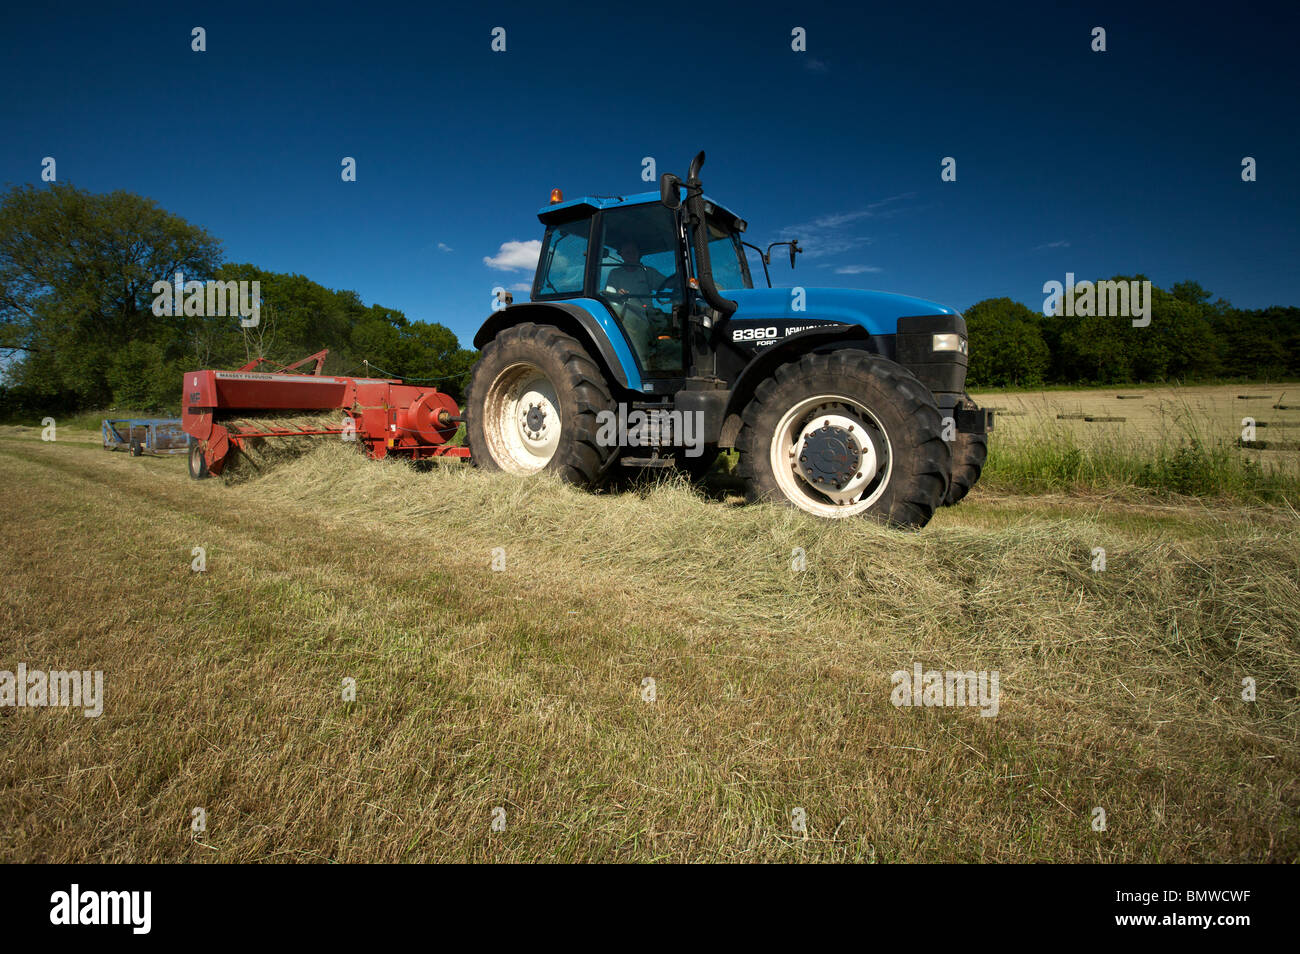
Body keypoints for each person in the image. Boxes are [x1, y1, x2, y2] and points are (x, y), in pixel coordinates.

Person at [606, 240, 668, 361]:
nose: (631, 255)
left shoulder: (647, 272)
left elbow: (665, 284)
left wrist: (678, 282)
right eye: (627, 252)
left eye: (633, 252)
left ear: (639, 254)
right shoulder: (615, 274)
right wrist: (618, 294)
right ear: (621, 255)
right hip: (626, 316)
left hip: (648, 315)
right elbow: (609, 295)